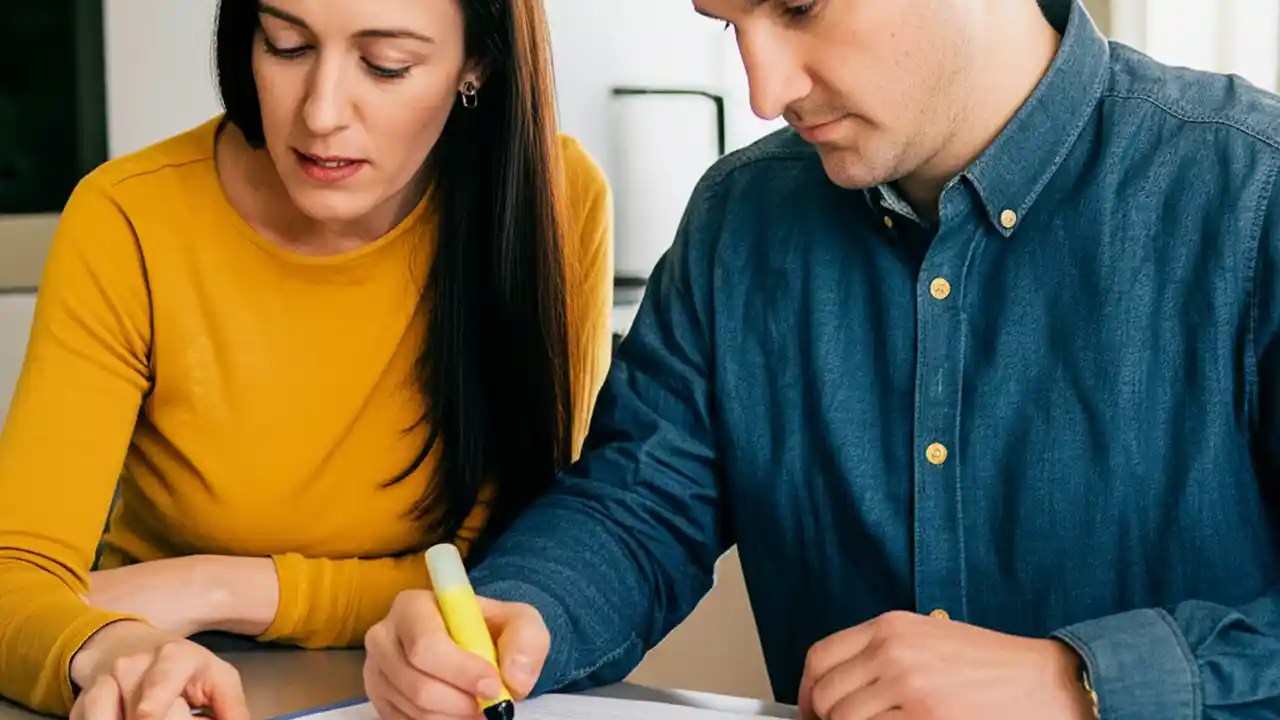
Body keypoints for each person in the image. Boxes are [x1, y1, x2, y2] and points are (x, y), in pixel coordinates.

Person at [363, 0, 1280, 718]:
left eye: (799, 7)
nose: (764, 90)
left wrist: (1080, 687)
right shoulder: (738, 217)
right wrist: (521, 613)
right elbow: (636, 508)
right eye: (730, 24)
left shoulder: (1252, 193)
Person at [0, 0, 614, 717]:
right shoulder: (129, 217)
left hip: (430, 696)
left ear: (476, 63)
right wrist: (110, 653)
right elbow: (18, 574)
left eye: (386, 65)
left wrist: (223, 587)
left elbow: (519, 574)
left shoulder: (551, 200)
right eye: (286, 46)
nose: (321, 113)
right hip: (173, 683)